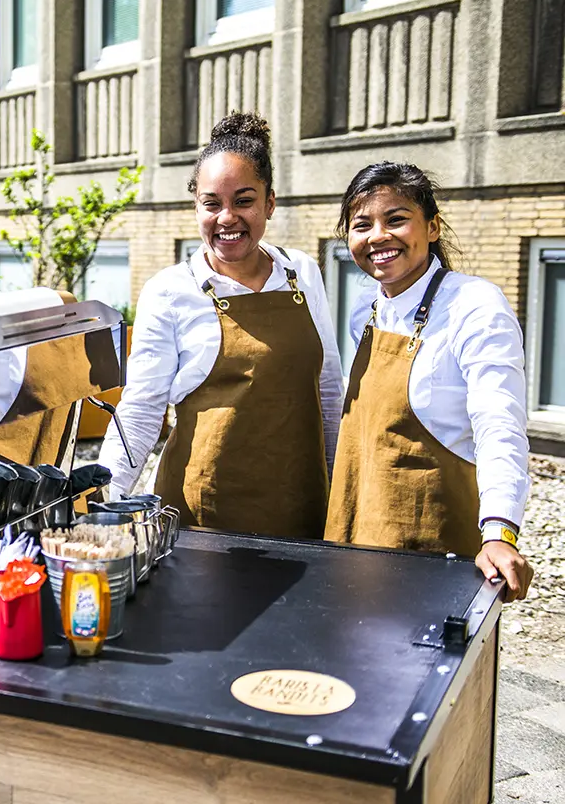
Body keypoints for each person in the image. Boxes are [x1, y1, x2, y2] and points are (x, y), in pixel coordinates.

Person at [98, 113, 344, 539]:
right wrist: (105, 500)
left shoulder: (302, 271)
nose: (227, 217)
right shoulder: (170, 291)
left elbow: (327, 387)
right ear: (196, 207)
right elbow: (141, 409)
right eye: (212, 203)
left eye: (244, 201)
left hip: (300, 507)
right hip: (203, 518)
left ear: (270, 202)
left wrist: (343, 493)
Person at [324, 161, 534, 601]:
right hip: (355, 536)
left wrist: (500, 531)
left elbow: (500, 425)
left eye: (396, 219)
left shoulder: (475, 306)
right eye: (362, 225)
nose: (378, 236)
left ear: (433, 227)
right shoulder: (364, 310)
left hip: (434, 553)